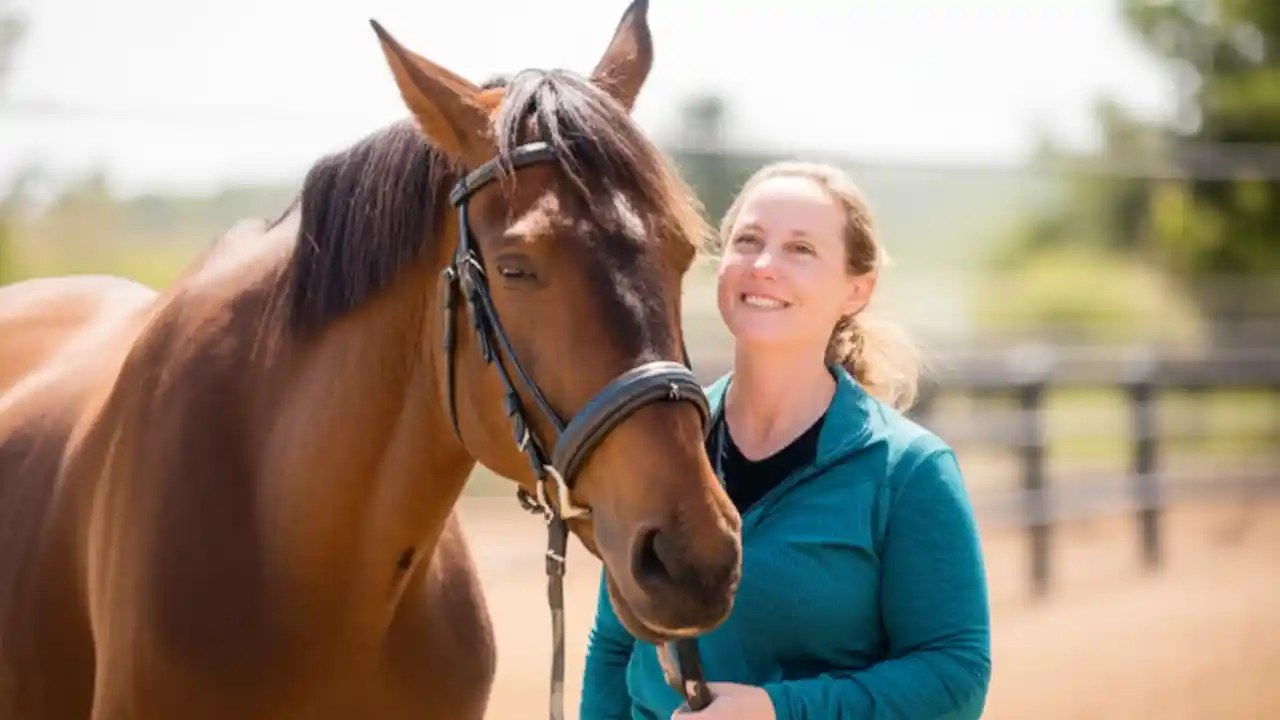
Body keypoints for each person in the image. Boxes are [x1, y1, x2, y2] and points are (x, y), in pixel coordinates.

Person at [579, 161, 992, 720]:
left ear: (856, 289)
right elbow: (616, 650)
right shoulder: (656, 446)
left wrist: (779, 711)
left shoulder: (910, 471)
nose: (764, 266)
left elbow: (954, 674)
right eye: (748, 241)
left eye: (801, 249)